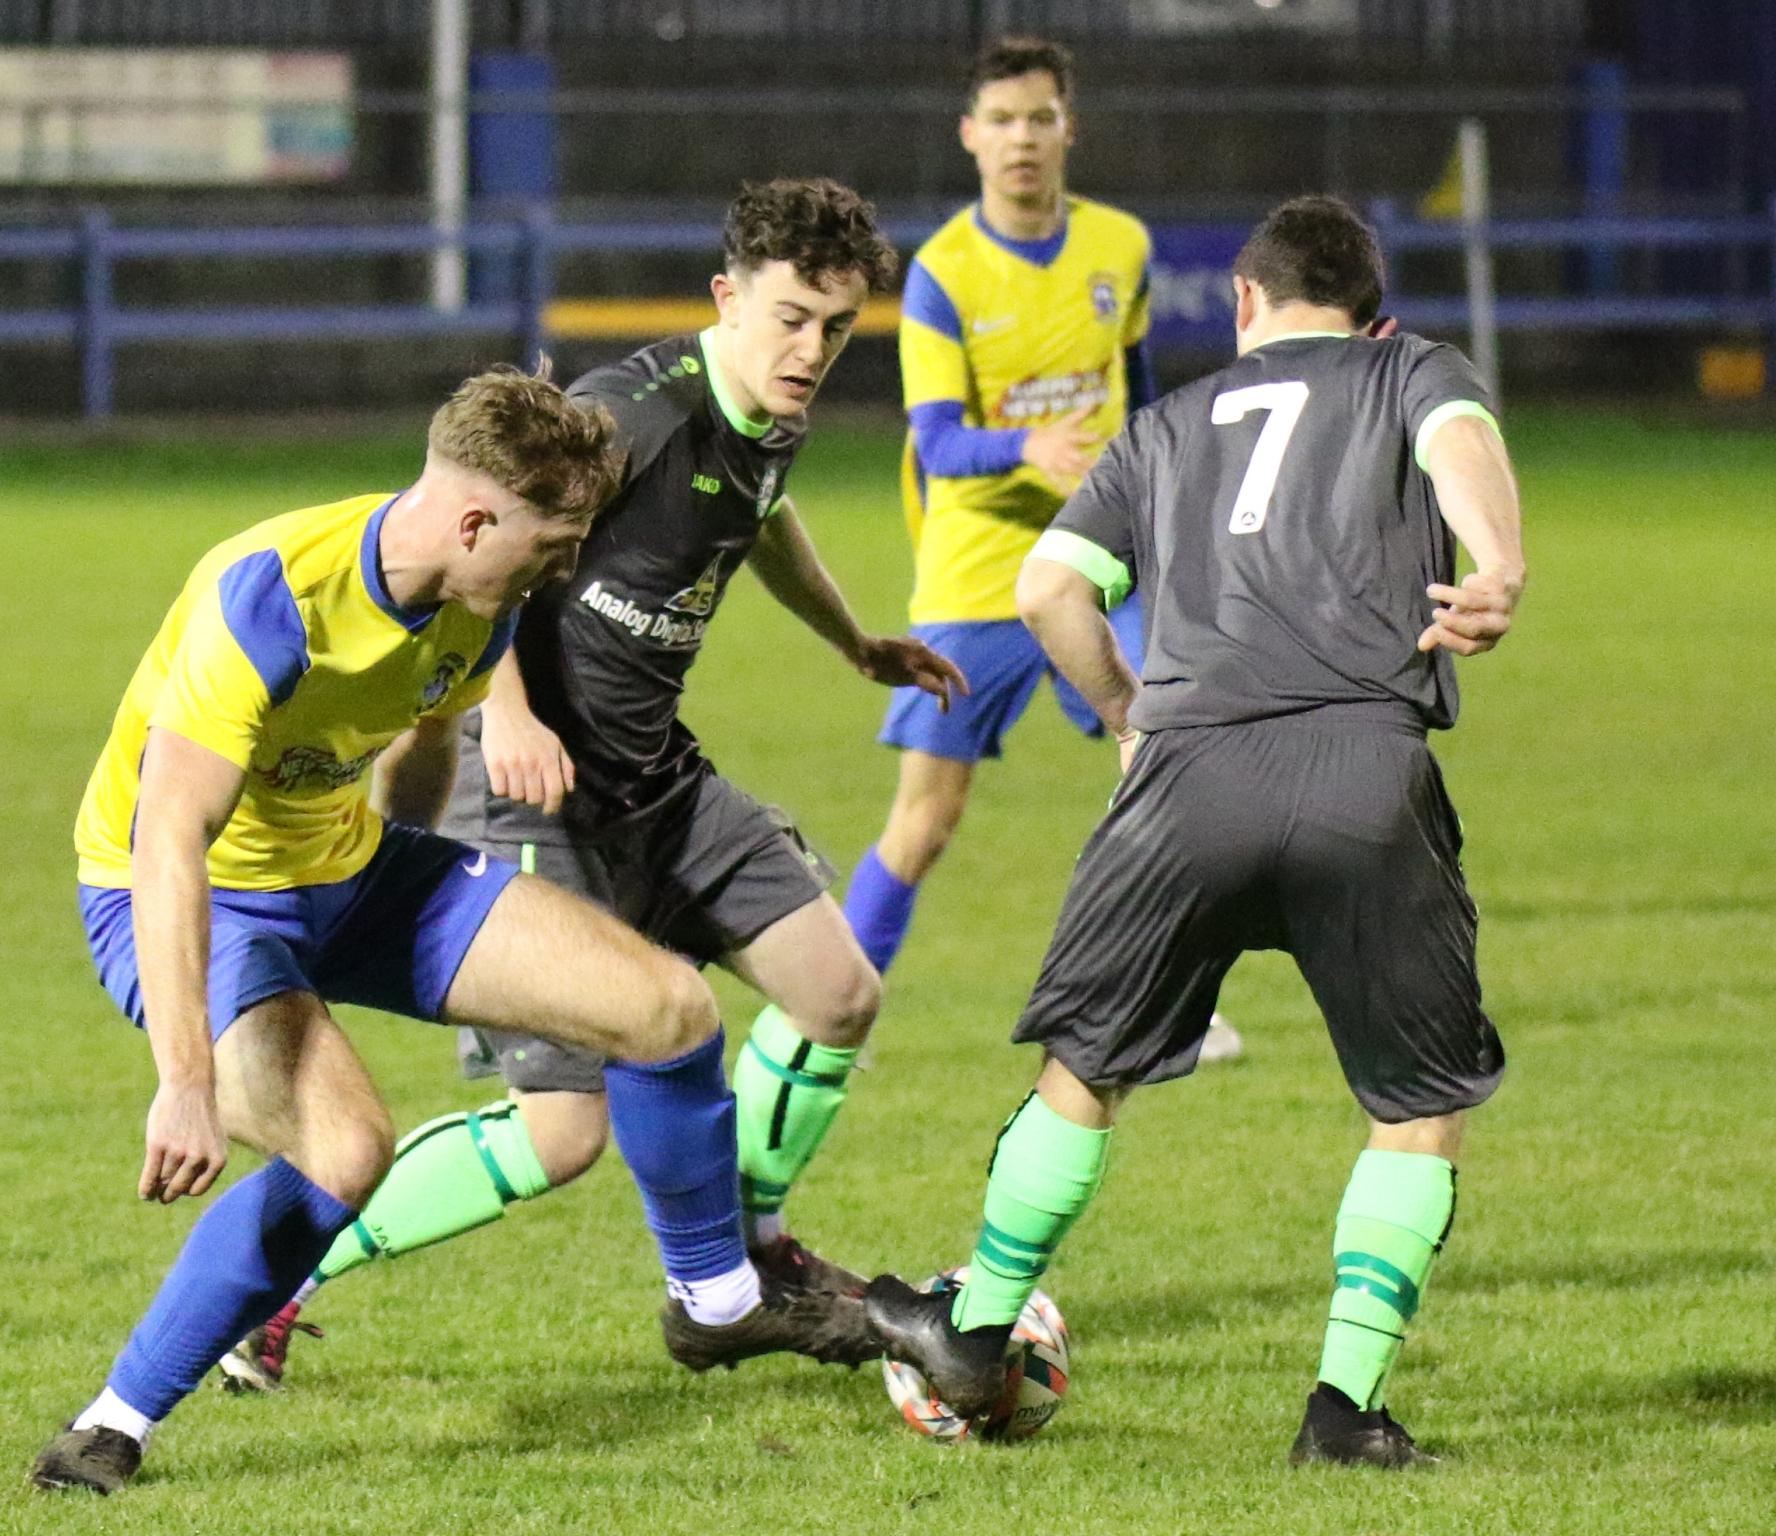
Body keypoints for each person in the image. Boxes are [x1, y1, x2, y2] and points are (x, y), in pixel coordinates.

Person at [25, 365, 843, 1496]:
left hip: (351, 867)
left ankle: (717, 1302)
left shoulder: (478, 601)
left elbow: (422, 740)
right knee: (345, 1150)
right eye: (553, 545)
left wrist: (412, 904)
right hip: (187, 895)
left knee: (665, 1006)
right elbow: (169, 838)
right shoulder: (271, 598)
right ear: (473, 522)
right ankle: (110, 1424)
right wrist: (186, 1080)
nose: (565, 570)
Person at [216, 178, 965, 1395]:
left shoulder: (768, 417)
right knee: (562, 1134)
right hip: (532, 791)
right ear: (727, 298)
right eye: (790, 319)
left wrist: (852, 640)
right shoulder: (626, 418)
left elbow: (763, 518)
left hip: (654, 778)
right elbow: (485, 545)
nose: (812, 350)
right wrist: (504, 710)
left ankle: (750, 1253)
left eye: (836, 328)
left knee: (838, 993)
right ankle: (277, 1287)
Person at [864, 196, 1526, 1469]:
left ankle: (978, 1328)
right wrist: (1496, 563)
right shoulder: (1410, 371)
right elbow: (1459, 444)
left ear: (1242, 301)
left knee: (1083, 1072)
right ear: (1375, 318)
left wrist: (1125, 712)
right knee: (1418, 1106)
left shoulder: (1164, 425)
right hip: (1361, 768)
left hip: (1184, 778)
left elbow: (1048, 590)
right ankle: (1342, 1412)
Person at [837, 36, 1242, 1062]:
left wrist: (1155, 487)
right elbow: (937, 445)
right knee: (926, 819)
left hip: (1099, 562)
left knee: (1165, 764)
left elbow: (1137, 389)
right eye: (1003, 120)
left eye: (1040, 118)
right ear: (970, 136)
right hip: (978, 571)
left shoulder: (1120, 246)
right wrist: (1033, 448)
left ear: (1070, 129)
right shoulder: (943, 274)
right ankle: (828, 1006)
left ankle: (1172, 1007)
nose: (1022, 139)